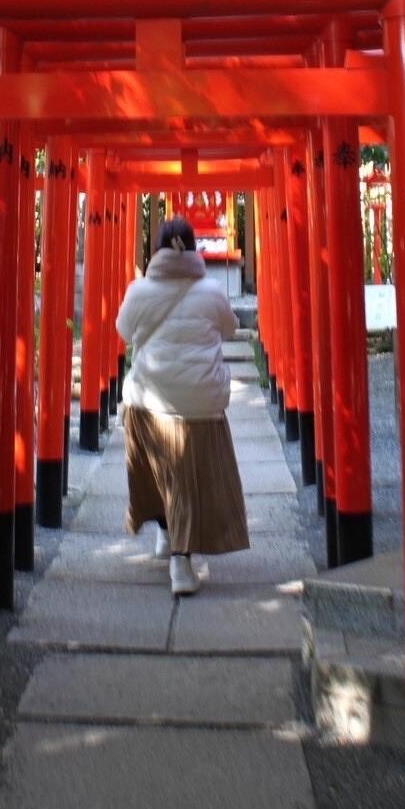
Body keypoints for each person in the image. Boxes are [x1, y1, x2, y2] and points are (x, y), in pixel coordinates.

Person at [115, 215, 249, 596]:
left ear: (156, 249)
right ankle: (180, 556)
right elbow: (229, 329)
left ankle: (172, 545)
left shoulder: (139, 290)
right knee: (192, 482)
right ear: (193, 248)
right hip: (200, 405)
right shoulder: (211, 290)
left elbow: (123, 332)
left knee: (158, 474)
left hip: (149, 401)